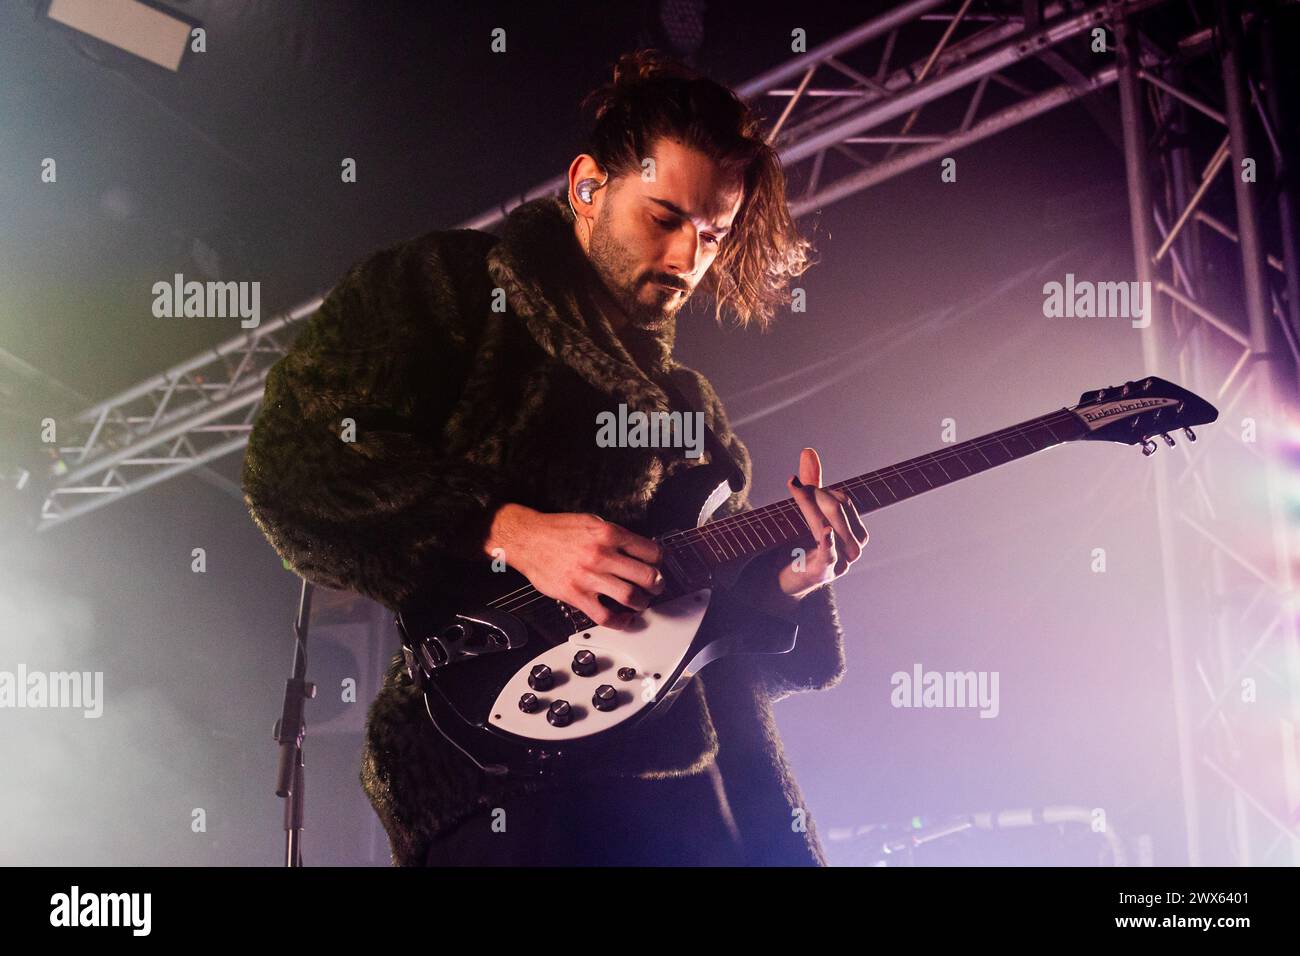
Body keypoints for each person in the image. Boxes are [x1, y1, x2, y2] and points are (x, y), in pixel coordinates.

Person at [241, 49, 868, 867]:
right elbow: (295, 461)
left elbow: (718, 646)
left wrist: (790, 582)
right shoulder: (450, 288)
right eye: (664, 216)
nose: (687, 258)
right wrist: (505, 530)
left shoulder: (692, 412)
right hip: (506, 778)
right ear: (587, 186)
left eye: (711, 234)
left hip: (712, 806)